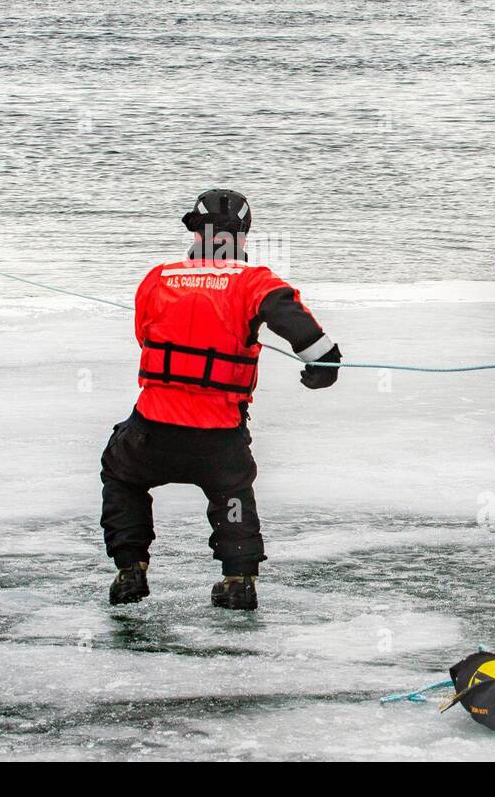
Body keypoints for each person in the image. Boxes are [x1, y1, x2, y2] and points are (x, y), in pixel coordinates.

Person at [99, 189, 342, 611]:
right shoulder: (254, 282)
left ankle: (130, 570)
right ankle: (238, 580)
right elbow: (300, 328)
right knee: (231, 493)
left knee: (122, 475)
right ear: (243, 236)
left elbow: (144, 335)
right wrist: (322, 367)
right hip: (219, 436)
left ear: (196, 231)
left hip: (152, 431)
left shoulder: (159, 277)